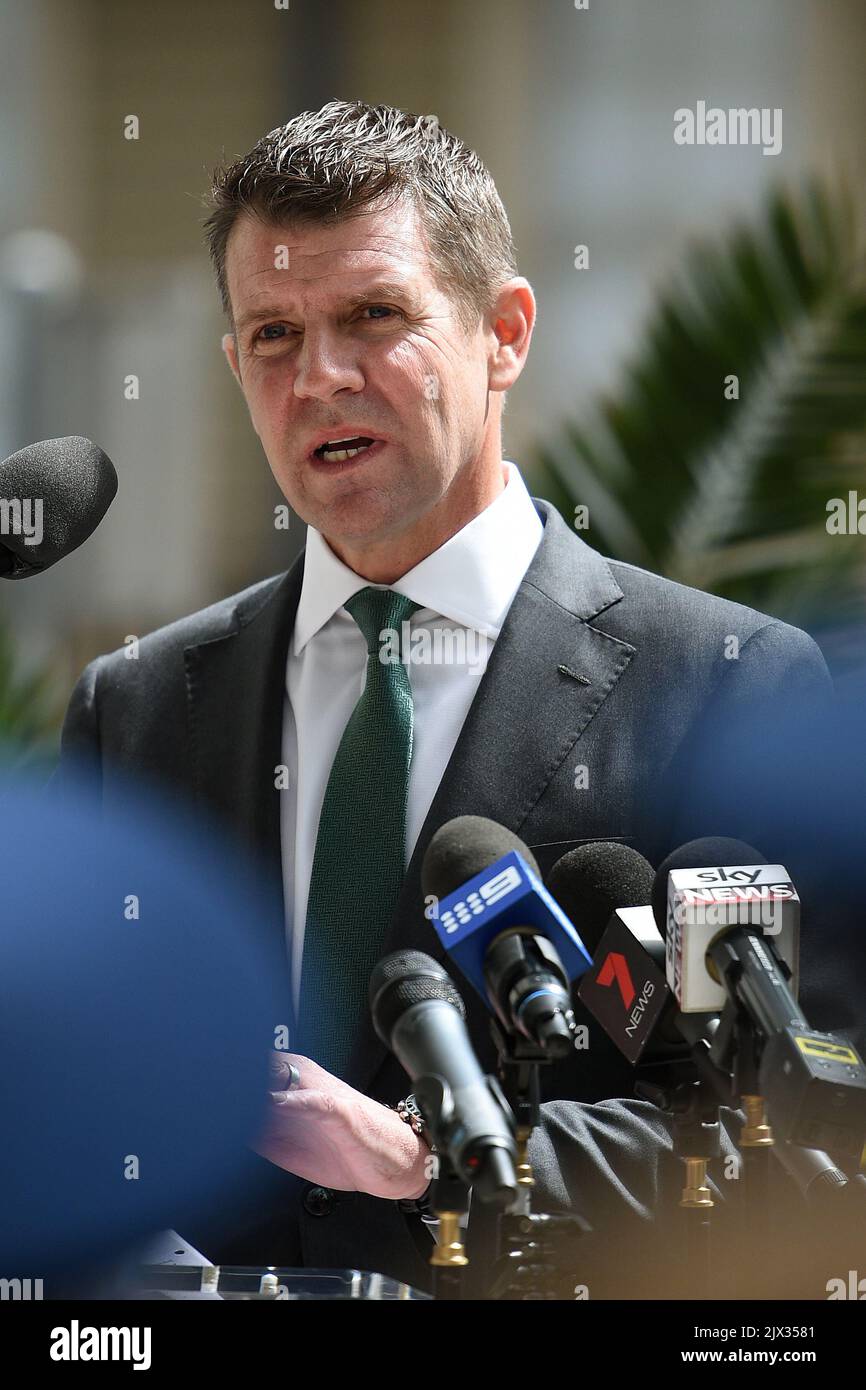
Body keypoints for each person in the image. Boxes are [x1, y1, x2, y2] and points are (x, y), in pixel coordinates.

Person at [57, 100, 838, 1298]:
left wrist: (430, 1157)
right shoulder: (139, 706)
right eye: (273, 334)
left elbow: (790, 1138)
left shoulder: (724, 684)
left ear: (504, 332)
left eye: (372, 315)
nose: (319, 376)